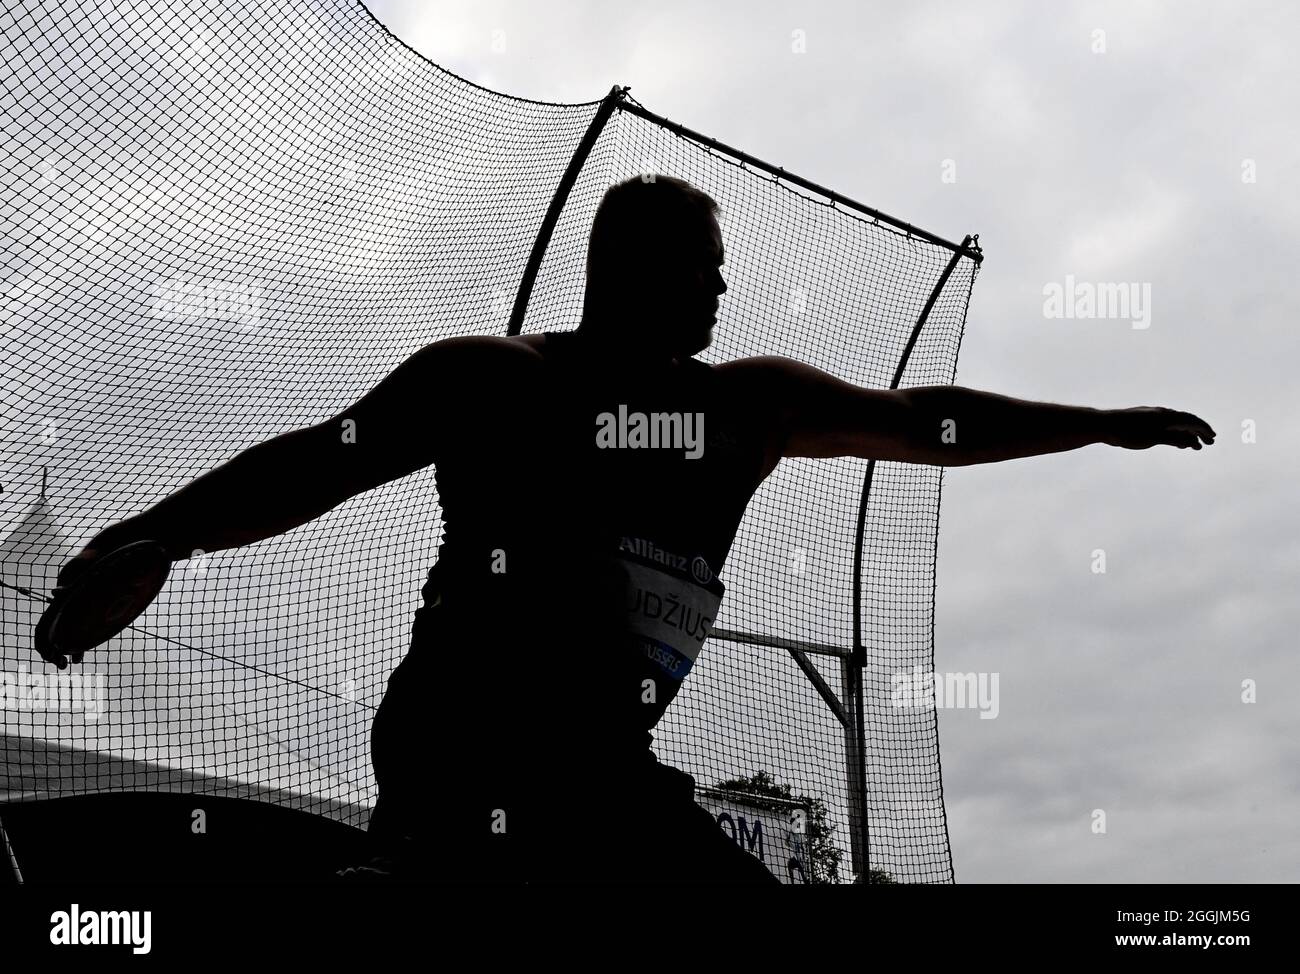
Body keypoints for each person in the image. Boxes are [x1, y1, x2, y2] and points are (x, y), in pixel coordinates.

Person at [44, 175, 1215, 883]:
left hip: (601, 769)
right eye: (704, 271)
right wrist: (156, 534)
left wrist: (1098, 421)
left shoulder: (740, 407)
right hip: (467, 742)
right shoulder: (499, 381)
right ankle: (427, 865)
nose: (719, 294)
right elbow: (322, 461)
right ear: (637, 271)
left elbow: (925, 422)